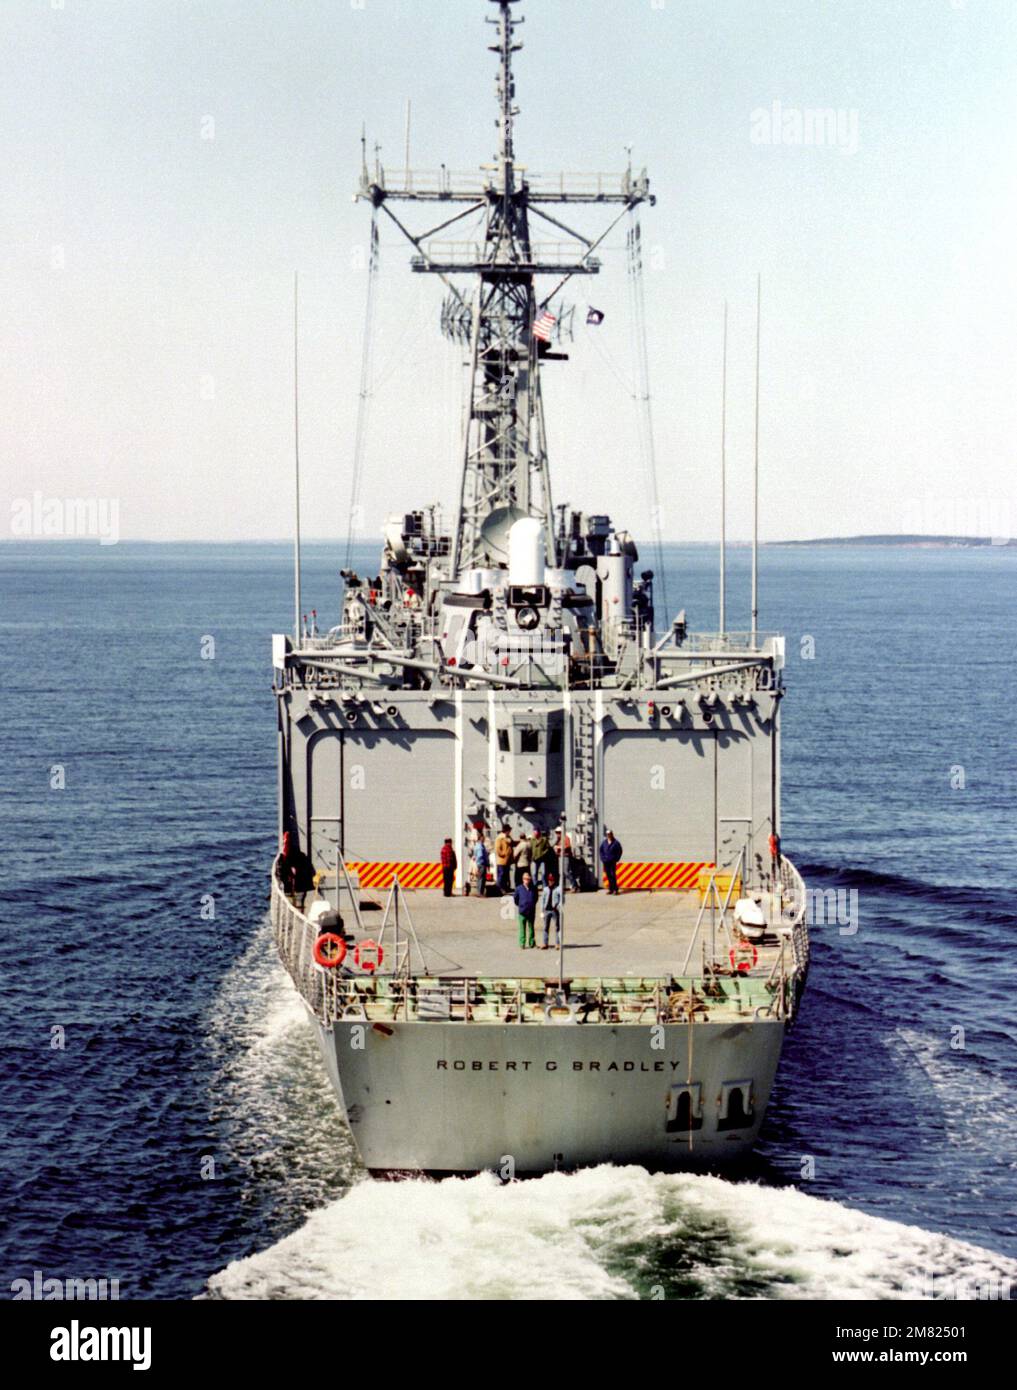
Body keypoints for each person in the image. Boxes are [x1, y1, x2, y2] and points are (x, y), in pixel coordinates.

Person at [276, 830, 315, 909]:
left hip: (298, 885)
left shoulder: (299, 858)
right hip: (295, 885)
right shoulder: (299, 856)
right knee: (296, 902)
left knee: (297, 902)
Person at [513, 872, 537, 950]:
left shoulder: (534, 888)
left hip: (531, 911)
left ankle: (531, 943)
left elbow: (536, 898)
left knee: (531, 928)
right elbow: (516, 899)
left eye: (528, 879)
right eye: (525, 879)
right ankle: (522, 943)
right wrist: (521, 905)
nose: (527, 880)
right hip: (522, 912)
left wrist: (532, 904)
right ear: (523, 880)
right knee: (522, 929)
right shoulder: (519, 888)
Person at [540, 872, 562, 950]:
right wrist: (542, 910)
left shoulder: (558, 889)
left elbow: (562, 899)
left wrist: (558, 906)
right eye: (549, 880)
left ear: (554, 881)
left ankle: (557, 943)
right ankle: (545, 943)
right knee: (546, 927)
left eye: (552, 880)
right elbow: (542, 900)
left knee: (557, 927)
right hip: (547, 910)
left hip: (554, 910)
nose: (550, 882)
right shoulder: (545, 889)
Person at [600, 828, 623, 895]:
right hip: (606, 861)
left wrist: (617, 858)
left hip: (612, 861)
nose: (609, 835)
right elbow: (601, 851)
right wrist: (602, 858)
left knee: (613, 875)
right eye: (607, 834)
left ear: (612, 834)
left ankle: (615, 890)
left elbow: (620, 851)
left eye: (610, 834)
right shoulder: (604, 842)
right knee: (608, 875)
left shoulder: (616, 843)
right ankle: (611, 889)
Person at [494, 825, 514, 895]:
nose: (510, 832)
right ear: (506, 830)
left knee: (506, 875)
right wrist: (504, 854)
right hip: (501, 860)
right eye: (509, 830)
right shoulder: (500, 838)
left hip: (507, 860)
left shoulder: (508, 838)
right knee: (501, 875)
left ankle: (505, 887)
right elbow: (497, 849)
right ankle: (499, 888)